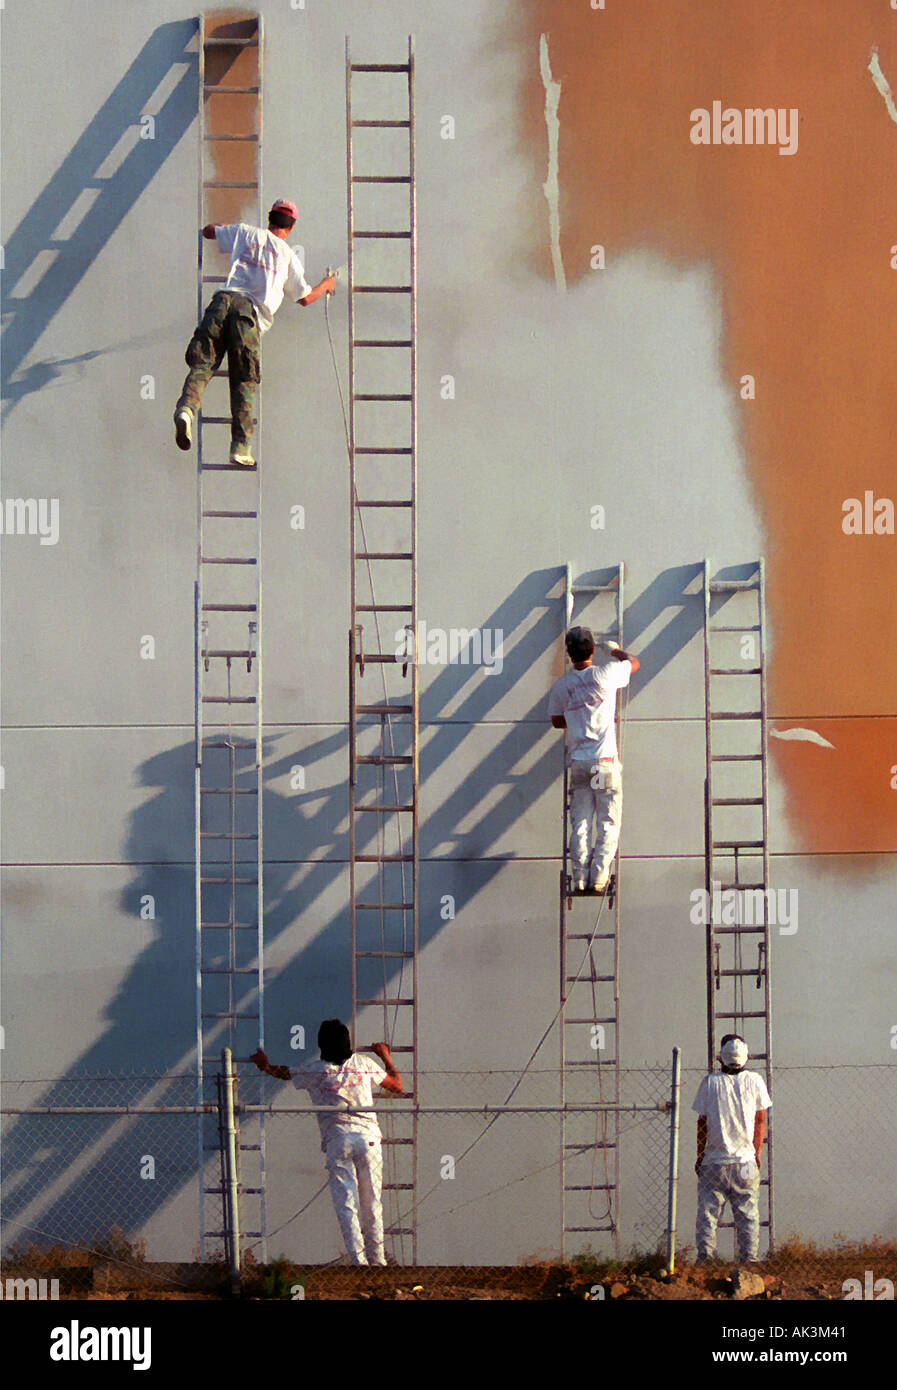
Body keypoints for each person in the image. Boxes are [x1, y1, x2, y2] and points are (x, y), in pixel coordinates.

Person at [174, 199, 336, 466]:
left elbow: (208, 231)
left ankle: (186, 410)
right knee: (243, 380)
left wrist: (220, 227)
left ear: (269, 217)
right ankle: (240, 447)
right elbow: (305, 298)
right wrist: (327, 284)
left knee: (202, 366)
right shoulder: (288, 256)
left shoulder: (245, 232)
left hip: (221, 302)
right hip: (248, 315)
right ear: (292, 226)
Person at [250, 1020, 403, 1266]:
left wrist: (265, 1065)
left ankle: (359, 1262)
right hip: (369, 1139)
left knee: (346, 1203)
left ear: (322, 1044)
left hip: (338, 1139)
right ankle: (378, 1260)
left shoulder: (316, 1071)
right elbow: (397, 1086)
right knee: (372, 1202)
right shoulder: (364, 1065)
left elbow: (284, 1072)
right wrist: (385, 1056)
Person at [548, 626, 639, 893]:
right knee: (607, 821)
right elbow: (632, 663)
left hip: (580, 763)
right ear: (591, 650)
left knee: (581, 822)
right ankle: (599, 878)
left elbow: (555, 721)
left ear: (568, 653)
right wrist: (613, 650)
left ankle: (579, 878)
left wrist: (576, 718)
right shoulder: (605, 674)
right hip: (604, 762)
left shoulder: (562, 686)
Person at [693, 1034, 772, 1264]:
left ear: (721, 1058)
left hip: (714, 1163)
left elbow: (702, 1124)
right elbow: (760, 1121)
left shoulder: (710, 1083)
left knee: (708, 1214)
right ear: (745, 1058)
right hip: (746, 1163)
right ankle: (750, 1259)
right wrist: (757, 1154)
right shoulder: (756, 1081)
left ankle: (705, 1258)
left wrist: (700, 1156)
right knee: (748, 1213)